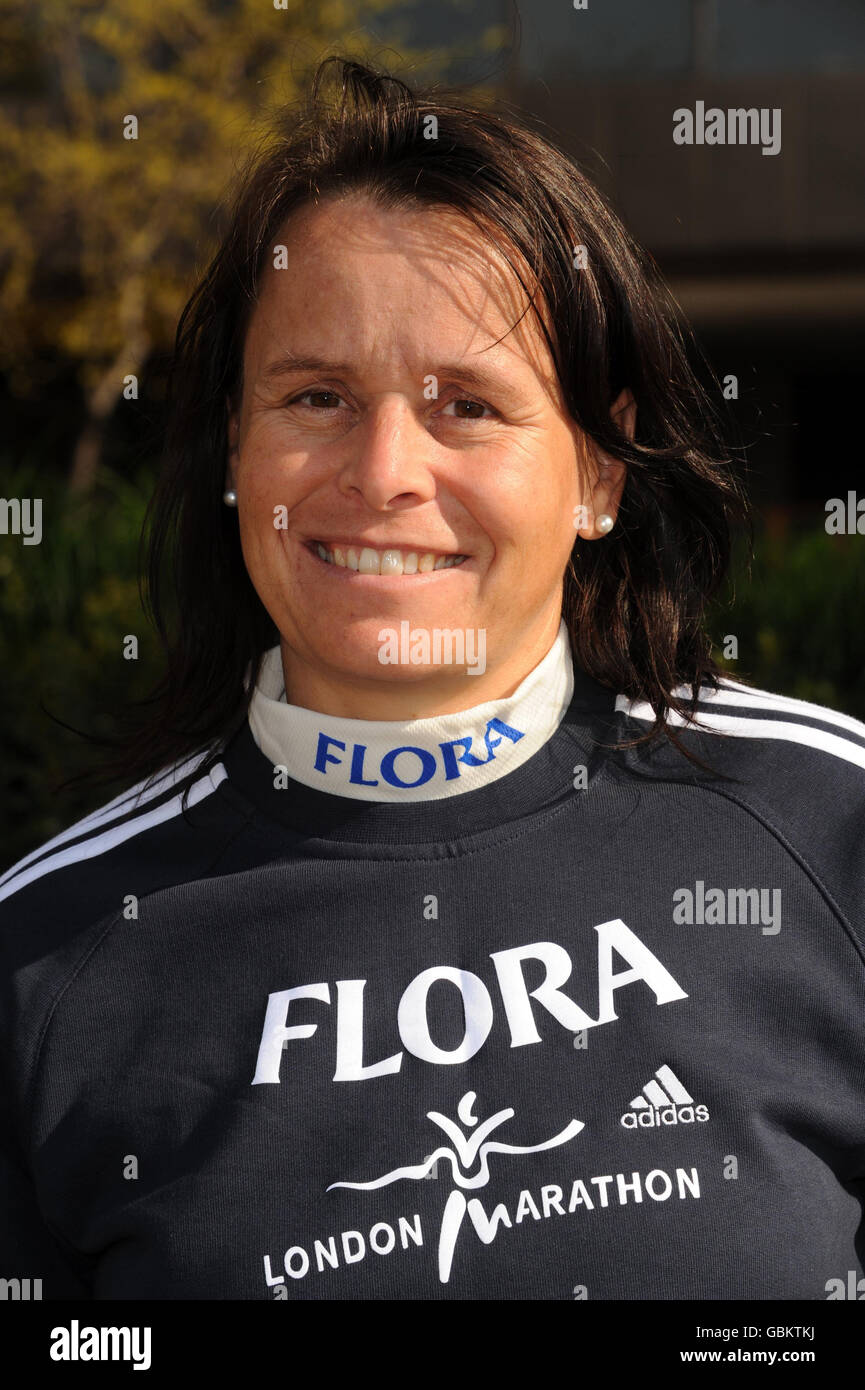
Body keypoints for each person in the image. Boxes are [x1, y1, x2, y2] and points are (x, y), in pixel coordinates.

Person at [1, 57, 863, 1302]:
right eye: (315, 396)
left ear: (597, 475)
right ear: (236, 452)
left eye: (466, 404)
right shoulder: (46, 957)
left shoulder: (827, 826)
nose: (385, 470)